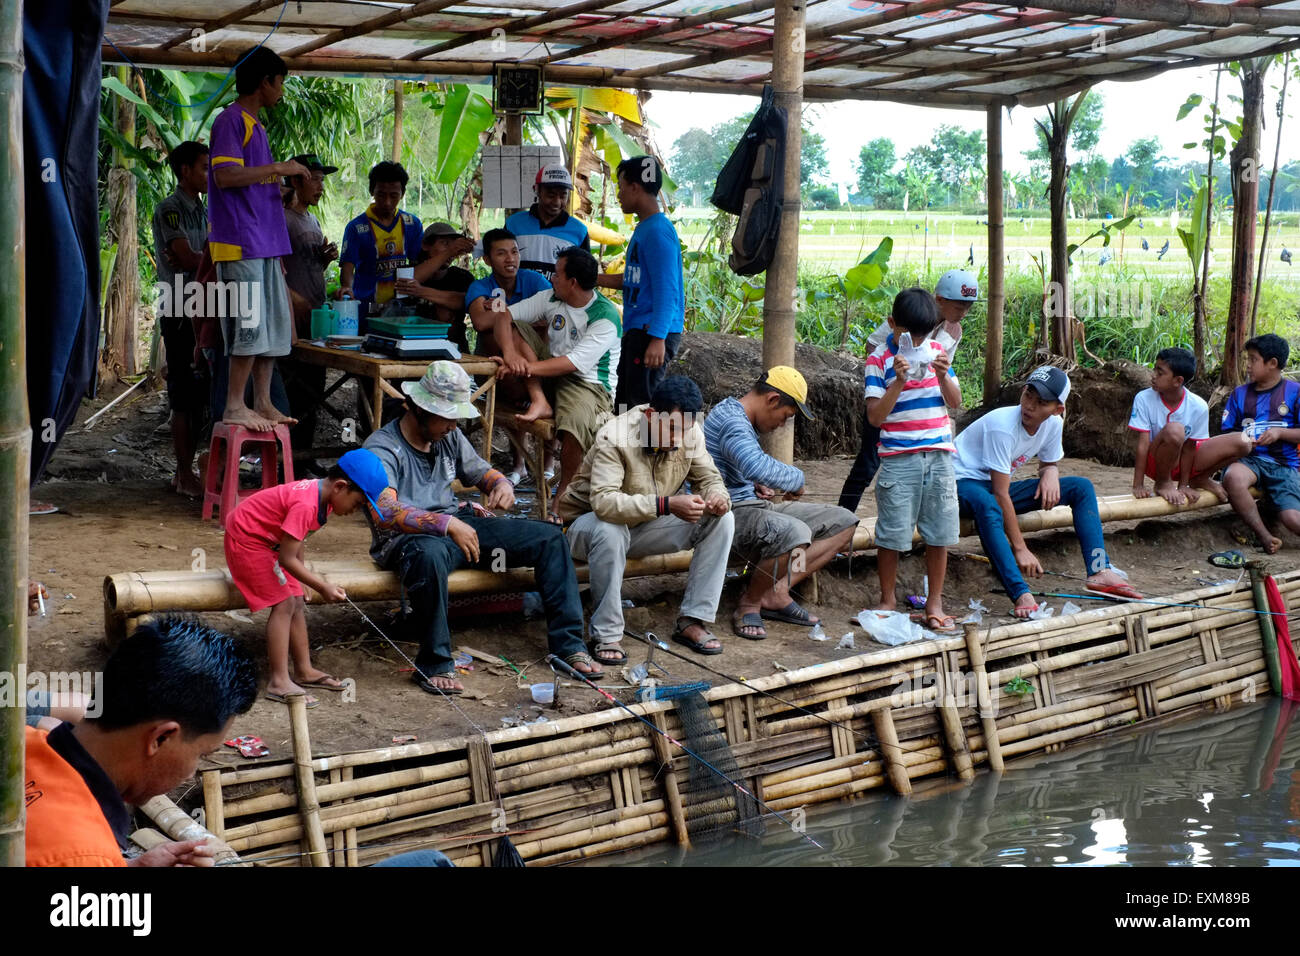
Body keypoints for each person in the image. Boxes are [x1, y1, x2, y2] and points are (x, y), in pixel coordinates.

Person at [362, 361, 601, 693]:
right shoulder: (381, 448)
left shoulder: (449, 435)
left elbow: (483, 472)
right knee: (429, 556)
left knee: (549, 538)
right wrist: (445, 523)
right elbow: (385, 512)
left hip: (459, 530)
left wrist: (501, 484)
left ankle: (568, 645)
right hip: (408, 541)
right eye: (447, 416)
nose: (454, 424)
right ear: (417, 408)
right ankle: (434, 663)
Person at [24, 617, 258, 867]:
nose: (192, 774)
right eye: (201, 755)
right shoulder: (83, 855)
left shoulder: (23, 742)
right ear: (161, 737)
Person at [559, 376, 734, 660]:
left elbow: (710, 478)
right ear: (651, 416)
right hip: (585, 529)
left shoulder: (690, 433)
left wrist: (717, 497)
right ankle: (607, 635)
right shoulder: (614, 436)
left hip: (642, 527)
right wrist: (666, 505)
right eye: (672, 429)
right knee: (610, 529)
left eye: (685, 430)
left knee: (721, 520)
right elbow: (603, 503)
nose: (678, 439)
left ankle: (692, 620)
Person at [954, 366, 1144, 619]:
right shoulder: (1002, 426)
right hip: (959, 482)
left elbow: (1048, 462)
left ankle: (1099, 570)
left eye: (1041, 402)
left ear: (1058, 409)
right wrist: (1020, 548)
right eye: (1028, 396)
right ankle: (1020, 592)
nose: (1029, 406)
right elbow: (1001, 495)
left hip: (993, 486)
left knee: (1081, 487)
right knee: (989, 507)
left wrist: (1050, 473)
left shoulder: (1053, 424)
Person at [704, 367, 859, 639]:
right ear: (773, 399)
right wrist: (796, 479)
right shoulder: (733, 420)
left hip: (753, 505)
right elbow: (755, 464)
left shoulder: (737, 417)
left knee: (843, 523)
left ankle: (777, 590)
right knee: (793, 533)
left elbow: (740, 467)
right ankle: (749, 602)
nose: (782, 424)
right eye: (786, 417)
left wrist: (754, 484)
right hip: (728, 514)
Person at [224, 453, 379, 706]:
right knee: (284, 603)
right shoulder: (307, 503)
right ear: (340, 486)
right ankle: (278, 680)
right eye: (358, 503)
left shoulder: (323, 499)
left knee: (296, 599)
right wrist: (321, 585)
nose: (356, 511)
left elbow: (298, 538)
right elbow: (286, 559)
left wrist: (302, 575)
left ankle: (304, 670)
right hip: (247, 540)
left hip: (270, 542)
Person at [206, 46, 306, 432]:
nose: (281, 90)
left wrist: (278, 185)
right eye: (280, 82)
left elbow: (248, 182)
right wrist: (279, 167)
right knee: (248, 325)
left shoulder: (257, 126)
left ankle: (262, 401)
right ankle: (235, 404)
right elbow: (225, 177)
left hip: (265, 242)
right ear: (265, 81)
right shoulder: (230, 121)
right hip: (239, 240)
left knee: (272, 327)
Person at [839, 269, 979, 512]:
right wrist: (896, 367)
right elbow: (873, 345)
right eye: (958, 307)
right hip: (891, 398)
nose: (963, 313)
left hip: (923, 408)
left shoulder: (953, 332)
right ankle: (842, 517)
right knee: (868, 464)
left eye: (968, 307)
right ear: (940, 300)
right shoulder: (908, 312)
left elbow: (947, 369)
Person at [493, 246, 621, 508]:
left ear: (572, 282)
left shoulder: (605, 317)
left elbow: (572, 363)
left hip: (588, 384)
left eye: (558, 274)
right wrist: (510, 356)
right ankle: (540, 400)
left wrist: (523, 368)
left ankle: (565, 491)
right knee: (517, 328)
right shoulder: (552, 297)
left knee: (575, 422)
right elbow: (505, 314)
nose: (552, 278)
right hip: (549, 373)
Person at [865, 288, 962, 630]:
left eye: (921, 335)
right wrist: (898, 382)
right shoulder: (878, 360)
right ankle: (887, 599)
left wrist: (941, 375)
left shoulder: (937, 350)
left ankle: (935, 602)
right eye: (907, 334)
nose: (915, 341)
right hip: (898, 457)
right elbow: (875, 417)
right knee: (891, 533)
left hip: (938, 455)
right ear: (892, 324)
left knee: (940, 531)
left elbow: (955, 401)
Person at [465, 227, 552, 483]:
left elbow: (551, 317)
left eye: (514, 252)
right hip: (496, 368)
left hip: (528, 363)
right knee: (510, 335)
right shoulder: (480, 286)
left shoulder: (535, 281)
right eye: (501, 254)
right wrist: (522, 318)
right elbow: (481, 322)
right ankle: (519, 465)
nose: (510, 259)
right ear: (488, 260)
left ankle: (542, 466)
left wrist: (506, 314)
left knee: (515, 332)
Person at [597, 156, 684, 411]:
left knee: (640, 406)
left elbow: (667, 291)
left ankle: (646, 450)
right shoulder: (646, 227)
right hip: (640, 330)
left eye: (621, 187)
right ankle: (625, 450)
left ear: (635, 187)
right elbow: (637, 281)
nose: (619, 194)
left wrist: (658, 337)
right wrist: (594, 278)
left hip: (651, 332)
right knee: (626, 403)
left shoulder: (657, 231)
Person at [151, 140, 211, 498]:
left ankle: (185, 471)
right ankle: (185, 472)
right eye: (204, 167)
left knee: (199, 390)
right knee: (183, 393)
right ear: (185, 170)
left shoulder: (205, 211)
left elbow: (195, 258)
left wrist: (199, 256)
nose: (209, 174)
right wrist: (208, 256)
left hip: (204, 306)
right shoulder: (169, 209)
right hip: (178, 308)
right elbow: (187, 259)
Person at [280, 152, 339, 461]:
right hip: (292, 318)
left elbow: (305, 263)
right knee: (292, 389)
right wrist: (292, 296)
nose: (320, 187)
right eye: (314, 179)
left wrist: (324, 258)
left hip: (314, 316)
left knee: (313, 390)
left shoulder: (311, 219)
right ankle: (286, 459)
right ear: (294, 180)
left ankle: (303, 458)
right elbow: (273, 267)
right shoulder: (281, 218)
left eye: (321, 180)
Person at [1129, 346, 1242, 506]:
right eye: (1155, 369)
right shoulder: (1143, 398)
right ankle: (1163, 482)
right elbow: (1143, 444)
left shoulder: (1198, 405)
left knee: (1244, 441)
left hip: (1183, 464)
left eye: (1160, 373)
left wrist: (1183, 485)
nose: (1153, 376)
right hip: (1155, 462)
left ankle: (1199, 479)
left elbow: (1190, 448)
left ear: (1178, 381)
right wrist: (1138, 485)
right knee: (1175, 430)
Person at [1221, 333, 1300, 554]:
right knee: (1233, 478)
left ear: (1272, 363)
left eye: (1253, 359)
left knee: (1293, 520)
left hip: (1284, 465)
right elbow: (1228, 433)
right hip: (1250, 460)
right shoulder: (1239, 394)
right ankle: (1266, 538)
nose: (1247, 365)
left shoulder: (1295, 392)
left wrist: (1279, 434)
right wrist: (1245, 442)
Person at [338, 160, 423, 314]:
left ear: (403, 194)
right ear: (371, 191)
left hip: (402, 311)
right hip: (365, 311)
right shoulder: (356, 228)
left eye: (394, 195)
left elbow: (419, 265)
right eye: (381, 195)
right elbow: (347, 268)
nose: (387, 202)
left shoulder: (412, 224)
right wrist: (347, 289)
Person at [397, 222, 477, 353]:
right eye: (444, 243)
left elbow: (464, 301)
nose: (451, 250)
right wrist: (449, 251)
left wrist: (421, 291)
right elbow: (408, 281)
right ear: (425, 245)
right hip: (413, 347)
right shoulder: (408, 271)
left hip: (454, 350)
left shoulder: (462, 277)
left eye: (454, 245)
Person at [504, 164, 590, 280]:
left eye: (562, 196)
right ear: (537, 190)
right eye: (551, 195)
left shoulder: (579, 231)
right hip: (519, 297)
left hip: (558, 298)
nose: (556, 202)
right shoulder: (513, 224)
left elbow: (583, 274)